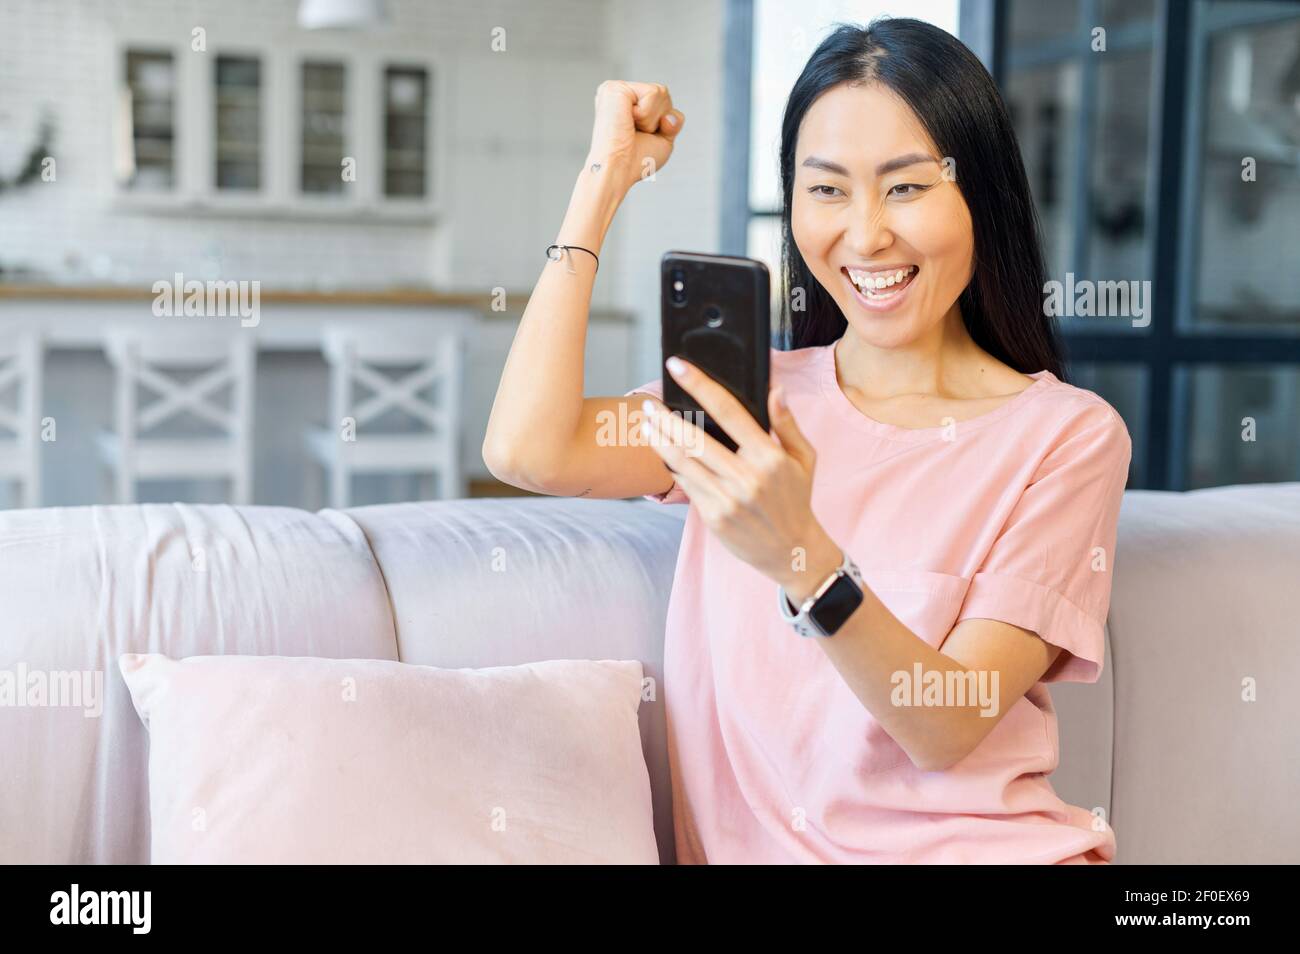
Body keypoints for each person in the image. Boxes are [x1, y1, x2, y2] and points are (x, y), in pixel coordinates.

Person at [483, 17, 1131, 864]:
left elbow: (946, 721)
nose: (864, 236)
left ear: (985, 197)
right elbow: (528, 448)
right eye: (826, 189)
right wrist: (603, 182)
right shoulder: (743, 402)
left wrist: (801, 559)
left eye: (905, 187)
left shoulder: (1065, 438)